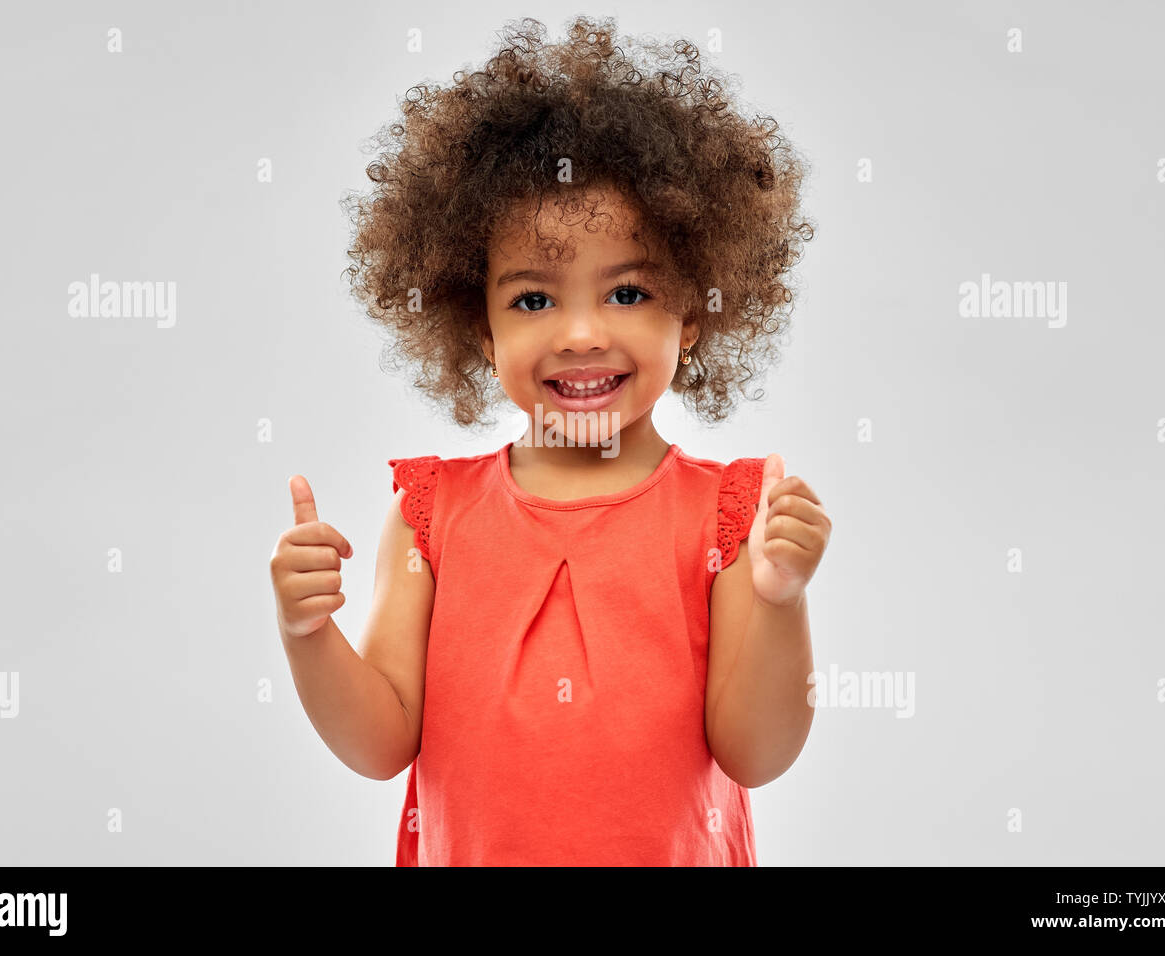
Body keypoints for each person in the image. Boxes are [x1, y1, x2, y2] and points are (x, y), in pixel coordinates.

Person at [271, 15, 831, 866]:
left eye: (629, 292)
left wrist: (783, 600)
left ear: (693, 308)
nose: (578, 334)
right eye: (533, 300)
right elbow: (381, 739)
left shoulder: (730, 518)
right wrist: (307, 636)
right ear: (479, 329)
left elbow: (757, 751)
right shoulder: (430, 515)